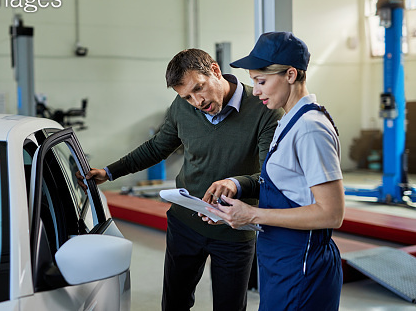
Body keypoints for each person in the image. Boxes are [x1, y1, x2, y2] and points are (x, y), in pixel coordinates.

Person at [82, 48, 284, 311]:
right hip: (185, 223)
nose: (196, 102)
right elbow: (157, 148)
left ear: (214, 70)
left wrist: (236, 183)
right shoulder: (182, 107)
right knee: (174, 303)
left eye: (198, 89)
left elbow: (272, 176)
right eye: (186, 97)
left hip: (233, 229)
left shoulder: (263, 109)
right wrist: (109, 172)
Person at [205, 32, 345, 311]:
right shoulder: (288, 121)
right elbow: (286, 188)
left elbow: (332, 213)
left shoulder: (310, 128)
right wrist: (232, 210)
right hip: (280, 263)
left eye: (261, 81)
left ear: (291, 74)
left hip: (303, 268)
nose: (255, 91)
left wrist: (253, 214)